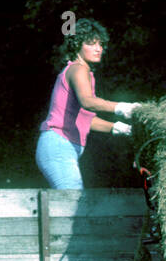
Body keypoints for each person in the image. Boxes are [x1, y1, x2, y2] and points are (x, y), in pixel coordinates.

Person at [36, 19, 141, 189]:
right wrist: (123, 107)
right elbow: (88, 102)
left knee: (73, 204)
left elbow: (86, 119)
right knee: (74, 202)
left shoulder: (84, 73)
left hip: (63, 147)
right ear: (78, 44)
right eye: (91, 44)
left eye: (100, 44)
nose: (98, 49)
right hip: (58, 145)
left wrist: (120, 128)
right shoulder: (78, 69)